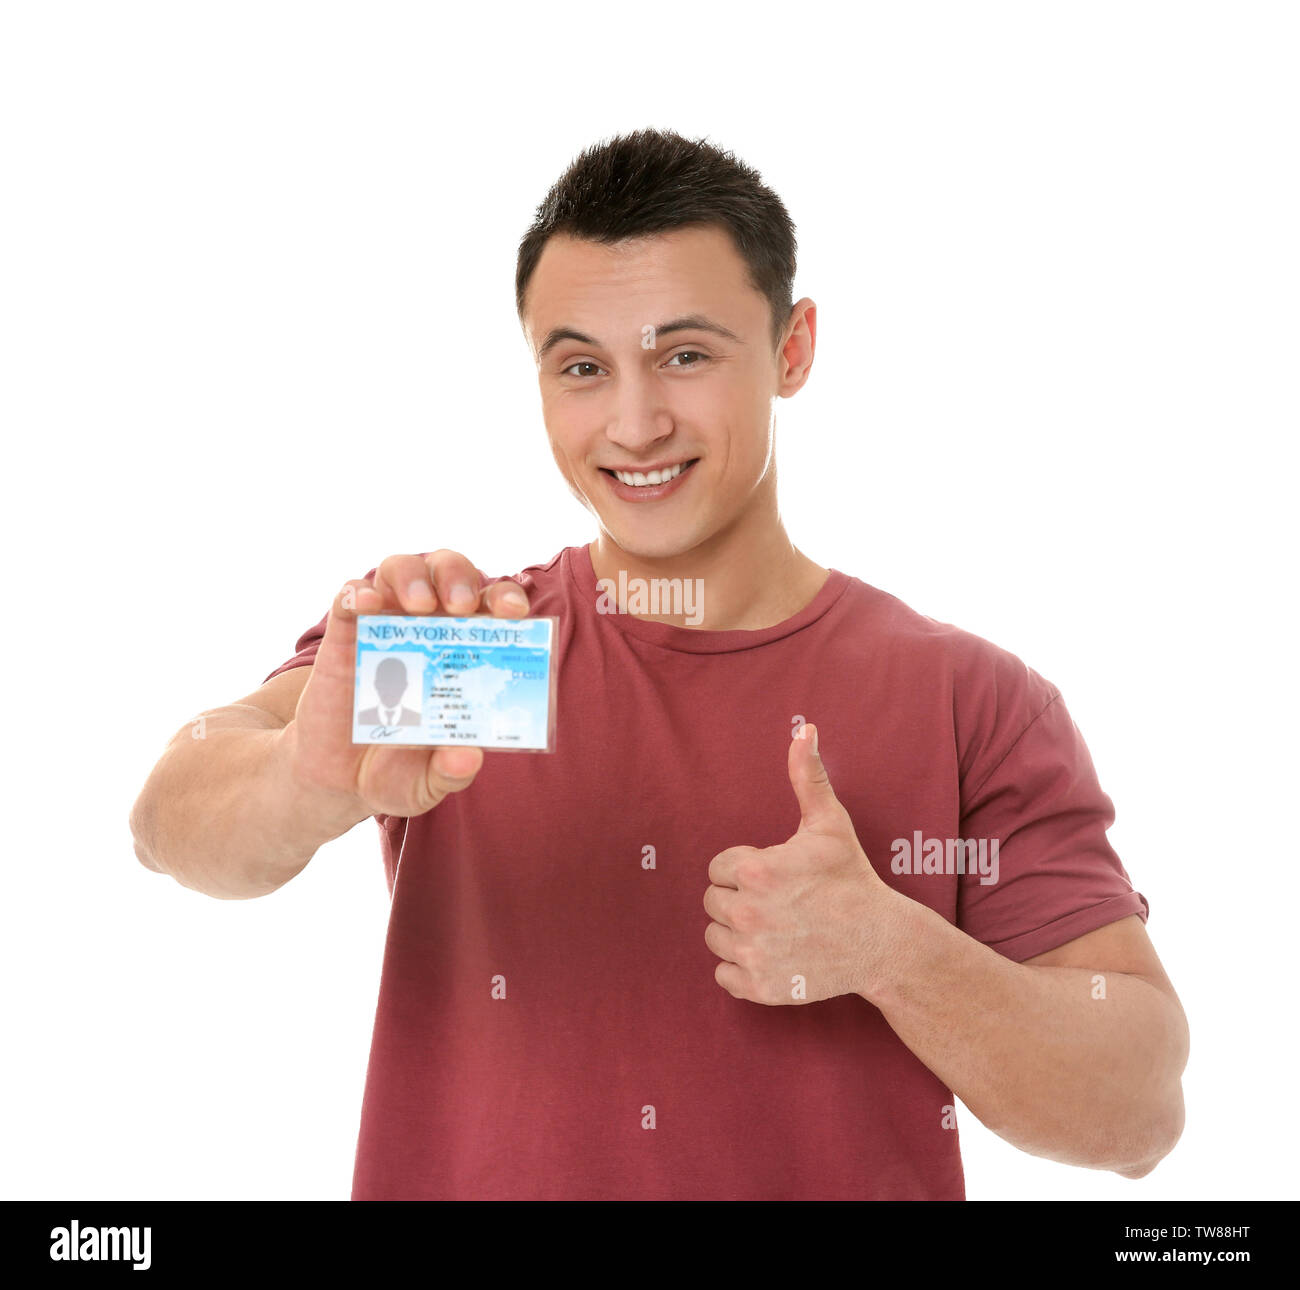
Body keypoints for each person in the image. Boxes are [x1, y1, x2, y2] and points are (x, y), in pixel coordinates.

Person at [129, 128, 1189, 1200]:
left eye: (684, 354)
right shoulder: (465, 650)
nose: (633, 426)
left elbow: (1139, 1108)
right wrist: (303, 783)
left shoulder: (972, 699)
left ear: (792, 348)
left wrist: (895, 955)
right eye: (582, 368)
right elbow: (167, 819)